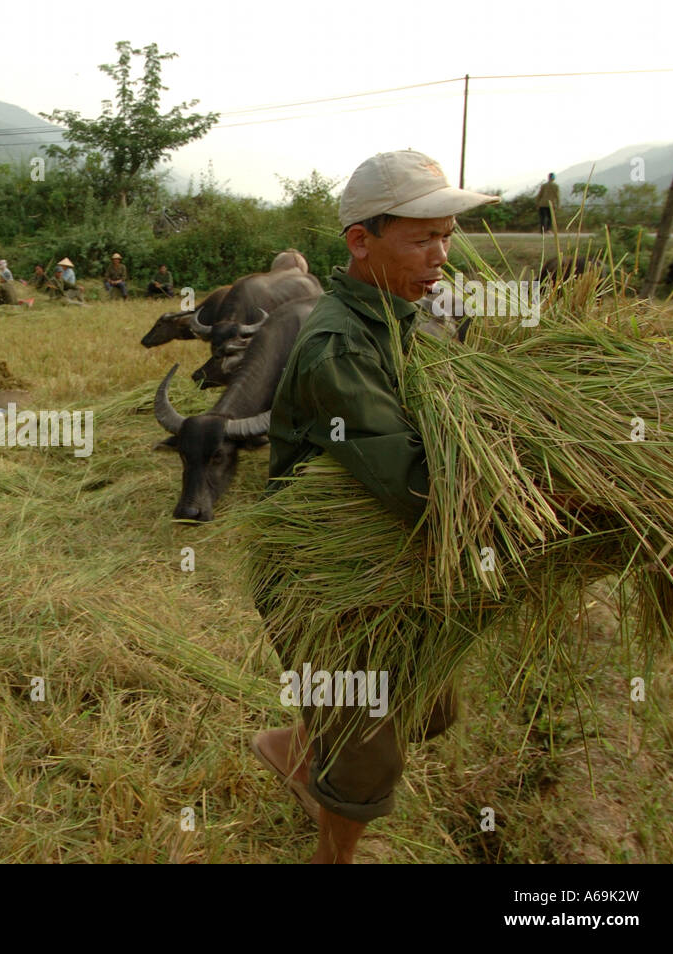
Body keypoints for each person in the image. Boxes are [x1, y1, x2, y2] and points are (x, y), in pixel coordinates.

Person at [251, 150, 498, 864]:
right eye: (423, 238)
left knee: (431, 702)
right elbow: (417, 480)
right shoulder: (337, 348)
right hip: (322, 578)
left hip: (384, 555)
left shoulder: (405, 321)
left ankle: (292, 747)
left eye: (446, 237)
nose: (441, 256)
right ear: (362, 240)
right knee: (368, 749)